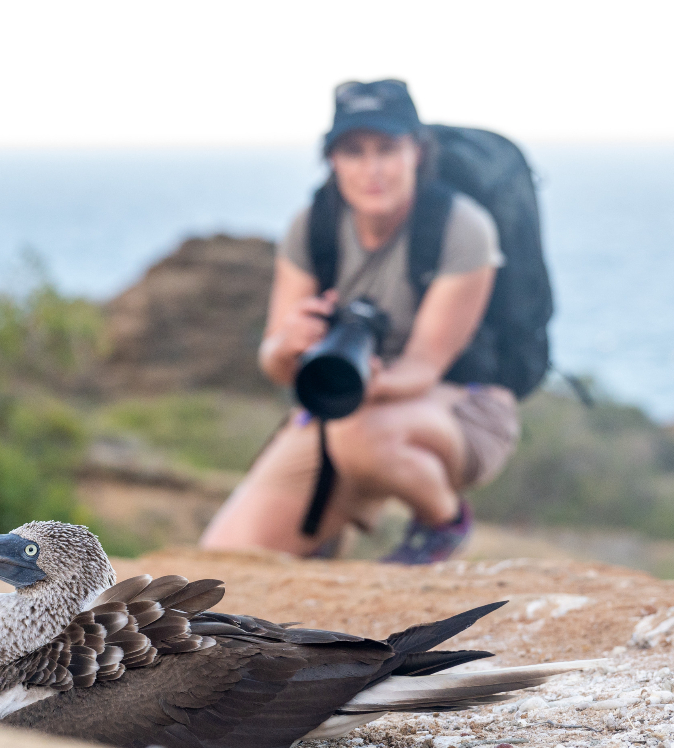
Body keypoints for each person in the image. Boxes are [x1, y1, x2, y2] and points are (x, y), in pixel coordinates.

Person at [200, 79, 520, 563]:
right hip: (343, 412)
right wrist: (288, 346)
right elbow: (276, 364)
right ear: (332, 160)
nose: (372, 170)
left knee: (359, 434)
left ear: (416, 151)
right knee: (225, 559)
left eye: (387, 149)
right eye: (354, 151)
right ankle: (323, 536)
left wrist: (373, 383)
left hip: (459, 407)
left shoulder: (461, 227)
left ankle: (442, 521)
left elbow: (423, 366)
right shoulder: (313, 227)